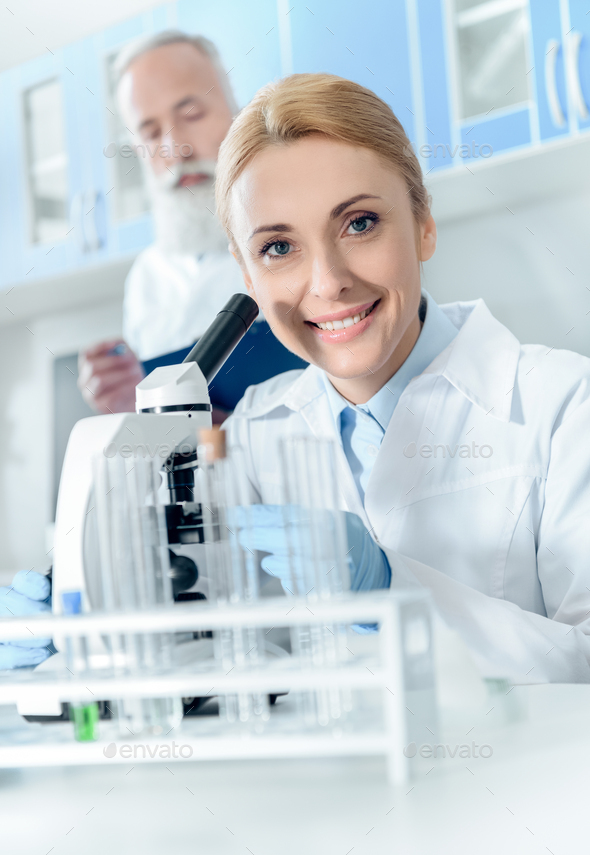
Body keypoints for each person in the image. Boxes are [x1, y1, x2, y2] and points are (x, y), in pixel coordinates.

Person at [5, 74, 590, 682]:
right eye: (279, 248)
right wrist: (75, 622)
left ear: (424, 225)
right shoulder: (255, 431)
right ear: (248, 278)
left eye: (359, 223)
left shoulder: (563, 404)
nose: (328, 282)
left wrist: (391, 587)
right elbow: (210, 643)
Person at [78, 30, 305, 419]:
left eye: (192, 115)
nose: (175, 149)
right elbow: (166, 431)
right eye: (150, 133)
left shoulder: (302, 238)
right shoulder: (145, 279)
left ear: (238, 113)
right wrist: (126, 403)